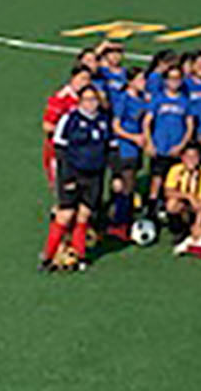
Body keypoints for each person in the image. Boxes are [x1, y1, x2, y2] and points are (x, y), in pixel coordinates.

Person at [41, 84, 111, 273]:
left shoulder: (104, 121)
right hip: (72, 174)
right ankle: (48, 256)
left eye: (94, 99)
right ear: (80, 102)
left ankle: (80, 256)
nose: (91, 104)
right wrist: (66, 177)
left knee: (84, 215)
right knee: (66, 214)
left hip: (94, 176)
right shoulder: (69, 120)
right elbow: (60, 149)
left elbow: (109, 149)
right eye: (87, 100)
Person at [108, 68, 152, 238]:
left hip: (136, 148)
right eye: (140, 79)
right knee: (125, 185)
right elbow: (116, 126)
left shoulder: (141, 99)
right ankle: (119, 223)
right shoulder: (123, 99)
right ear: (130, 81)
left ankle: (121, 219)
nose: (144, 83)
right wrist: (133, 137)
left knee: (129, 184)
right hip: (124, 148)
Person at [149, 66, 196, 202]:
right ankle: (152, 207)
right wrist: (150, 142)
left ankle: (169, 206)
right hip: (160, 145)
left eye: (177, 78)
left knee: (175, 178)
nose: (174, 82)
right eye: (171, 78)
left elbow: (190, 125)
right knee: (157, 178)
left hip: (177, 146)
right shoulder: (158, 99)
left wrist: (182, 145)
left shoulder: (185, 101)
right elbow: (147, 122)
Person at [41, 66, 91, 190]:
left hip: (80, 151)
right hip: (60, 151)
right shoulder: (62, 98)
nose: (85, 83)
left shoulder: (85, 98)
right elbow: (47, 126)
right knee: (63, 190)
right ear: (73, 78)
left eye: (88, 79)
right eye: (82, 78)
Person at [163, 144, 201, 253]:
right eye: (188, 157)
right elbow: (168, 191)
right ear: (183, 158)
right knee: (171, 204)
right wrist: (188, 196)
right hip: (184, 202)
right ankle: (179, 231)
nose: (191, 160)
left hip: (197, 207)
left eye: (194, 157)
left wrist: (198, 224)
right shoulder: (175, 169)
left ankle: (194, 232)